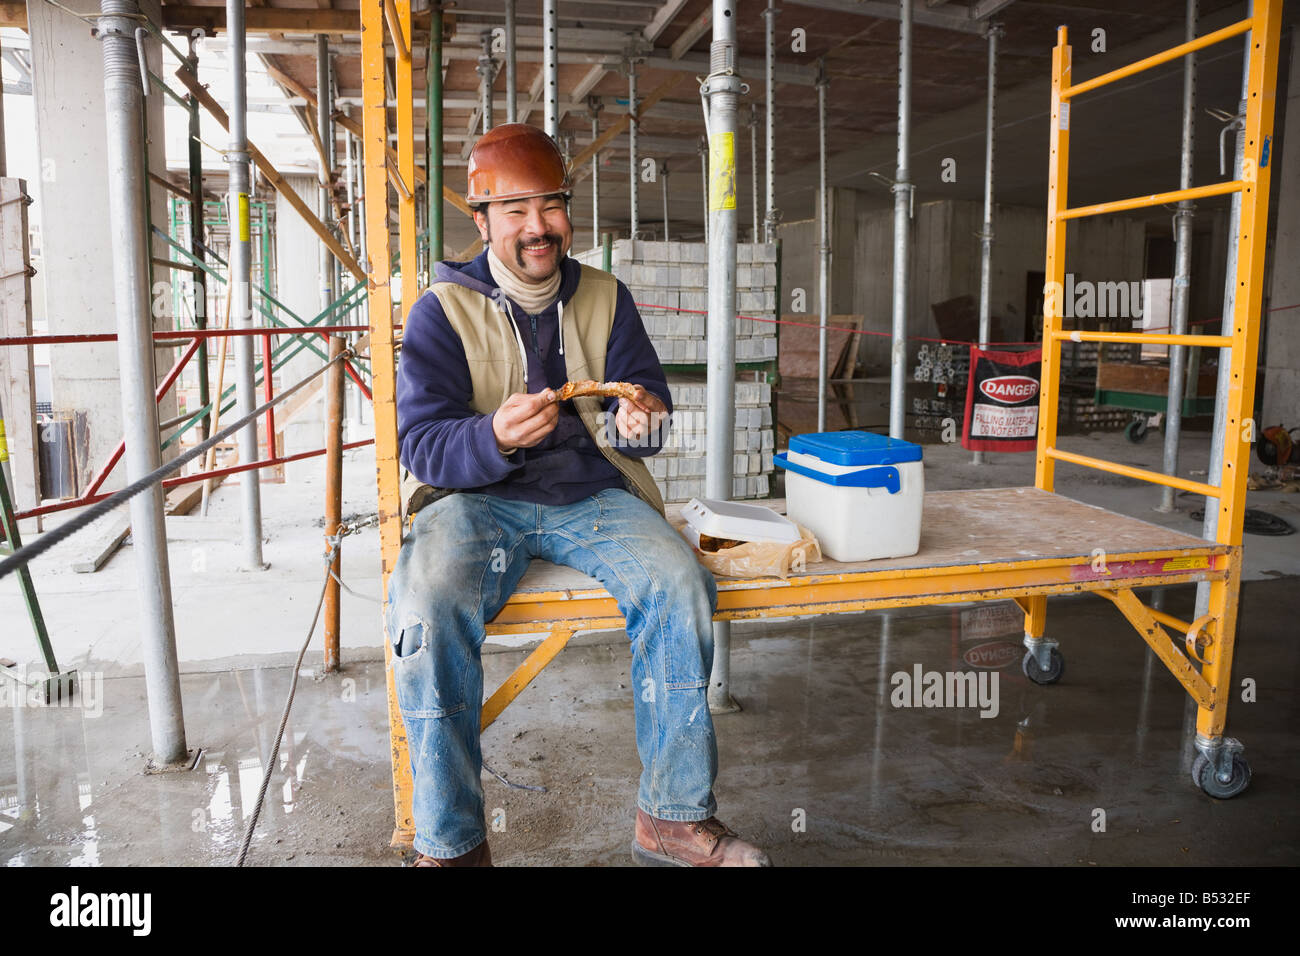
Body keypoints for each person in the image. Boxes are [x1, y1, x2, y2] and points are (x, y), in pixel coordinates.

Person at [385, 123, 770, 867]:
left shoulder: (605, 297)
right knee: (425, 611)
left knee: (679, 584)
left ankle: (672, 816)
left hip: (591, 494)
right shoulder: (441, 310)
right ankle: (451, 842)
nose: (539, 227)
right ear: (482, 218)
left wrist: (638, 420)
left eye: (552, 205)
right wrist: (493, 436)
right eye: (516, 209)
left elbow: (648, 409)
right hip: (472, 501)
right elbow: (423, 444)